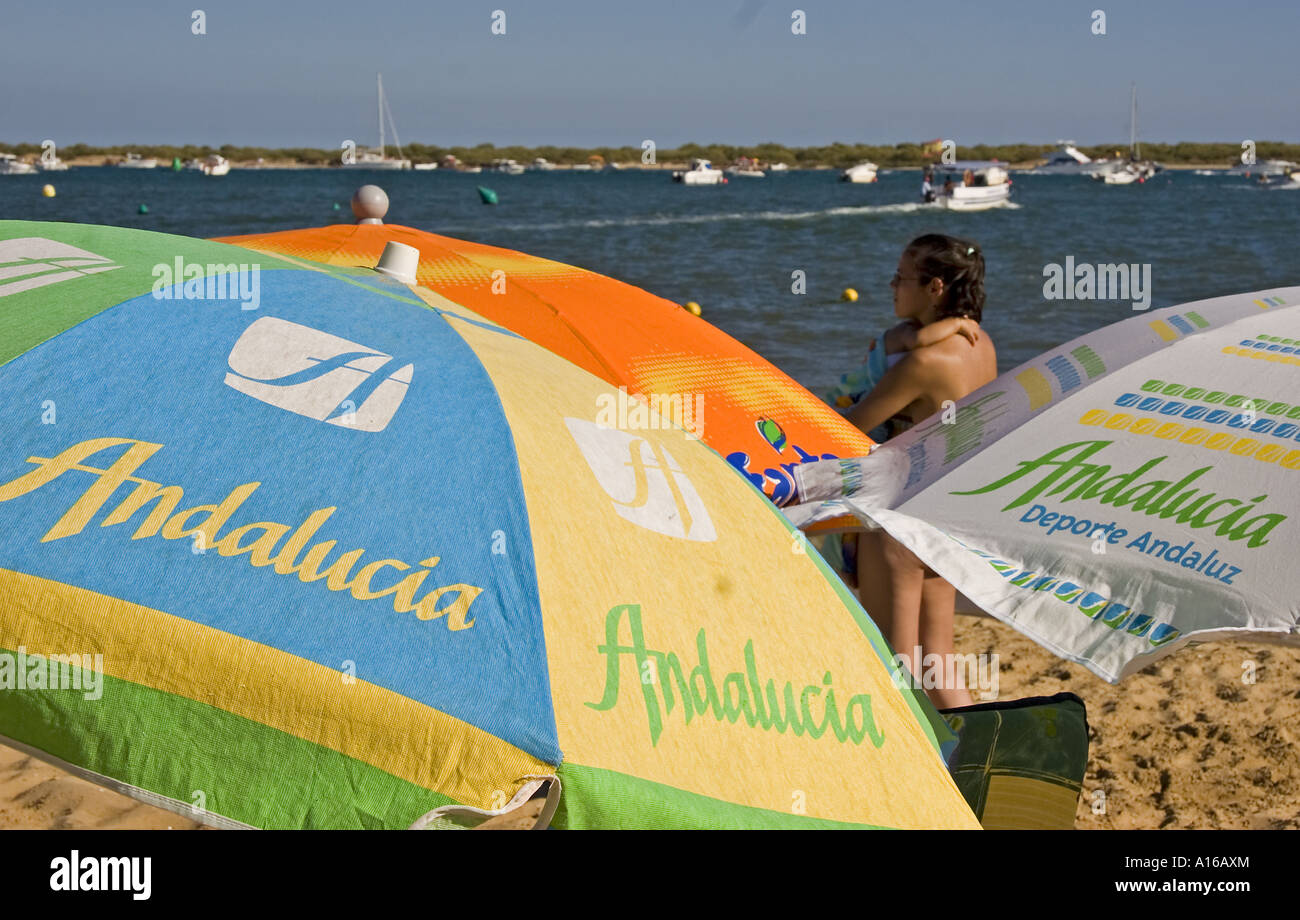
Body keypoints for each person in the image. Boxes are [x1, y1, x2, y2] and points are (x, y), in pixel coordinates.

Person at [841, 234, 997, 708]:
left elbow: (852, 426)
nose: (892, 285)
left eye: (901, 276)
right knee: (939, 659)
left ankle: (914, 775)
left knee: (892, 664)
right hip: (947, 509)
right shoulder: (978, 344)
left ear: (934, 287)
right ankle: (971, 767)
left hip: (900, 514)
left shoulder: (923, 363)